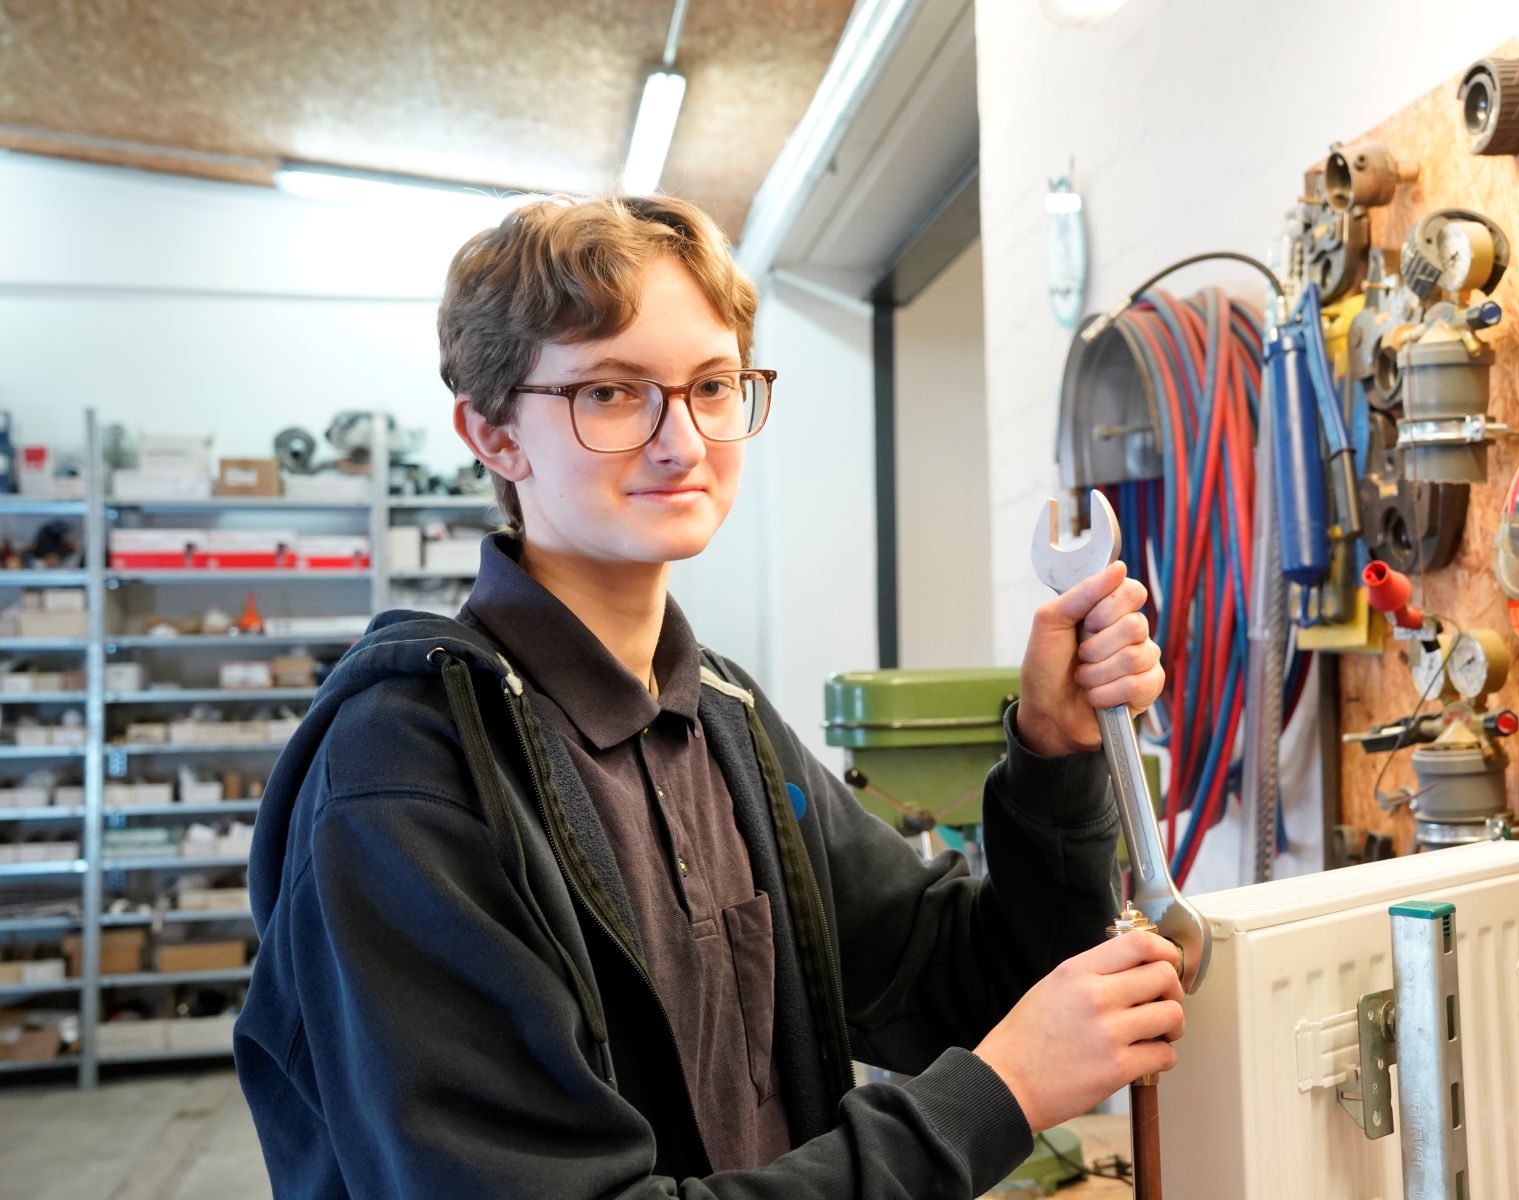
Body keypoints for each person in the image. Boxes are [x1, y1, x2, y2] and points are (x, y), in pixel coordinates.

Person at [236, 194, 1185, 1198]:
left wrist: (1053, 750)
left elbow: (970, 979)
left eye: (713, 385)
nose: (681, 441)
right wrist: (997, 1094)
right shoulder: (405, 779)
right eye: (610, 392)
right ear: (494, 434)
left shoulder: (719, 717)